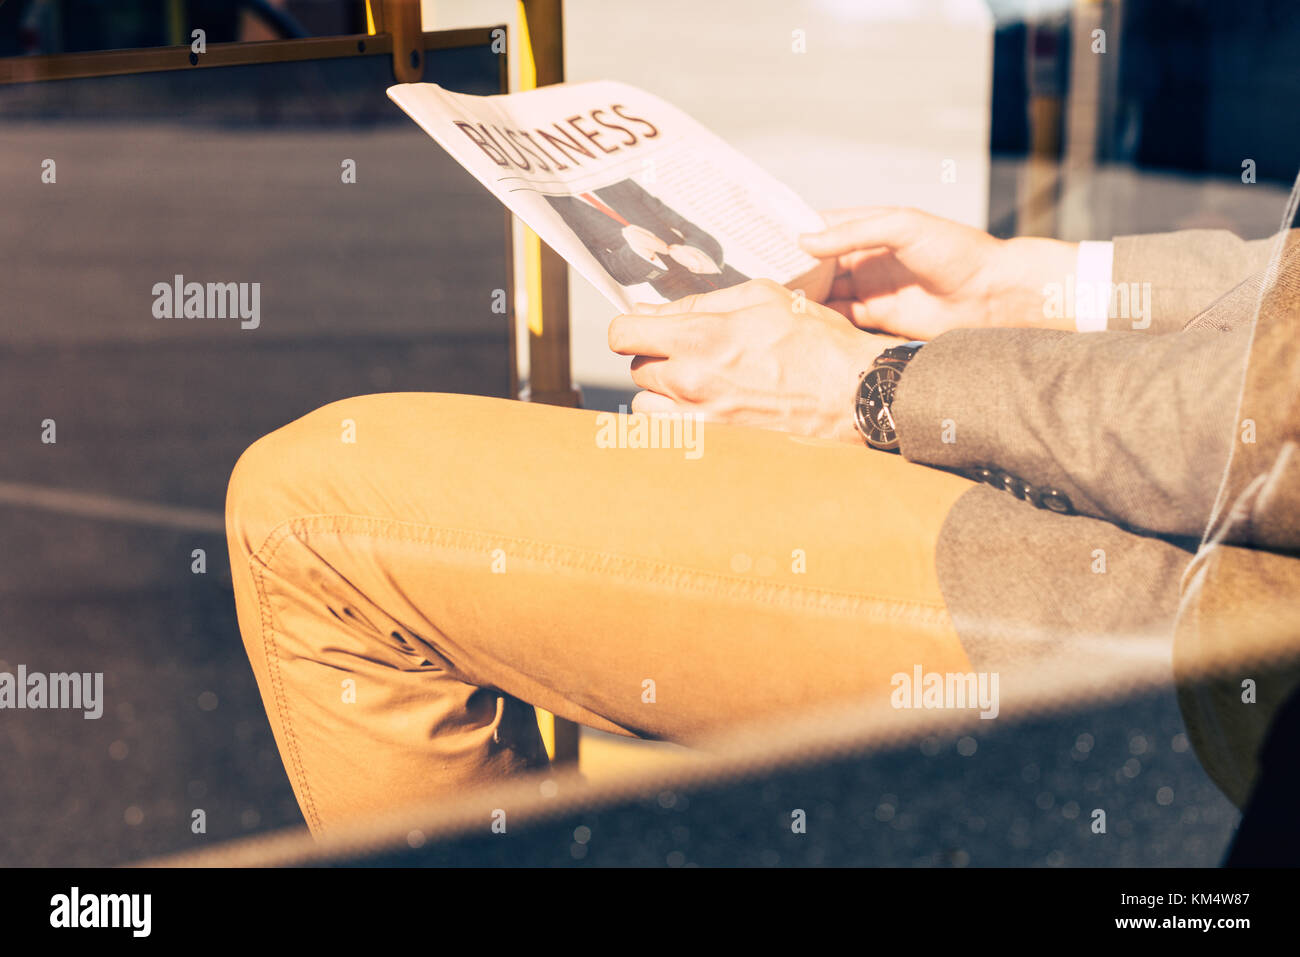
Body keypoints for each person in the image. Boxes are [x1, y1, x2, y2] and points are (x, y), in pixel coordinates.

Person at [225, 205, 1299, 836]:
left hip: (1214, 643)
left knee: (318, 518)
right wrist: (1048, 286)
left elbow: (1273, 419)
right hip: (1211, 536)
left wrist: (876, 387)